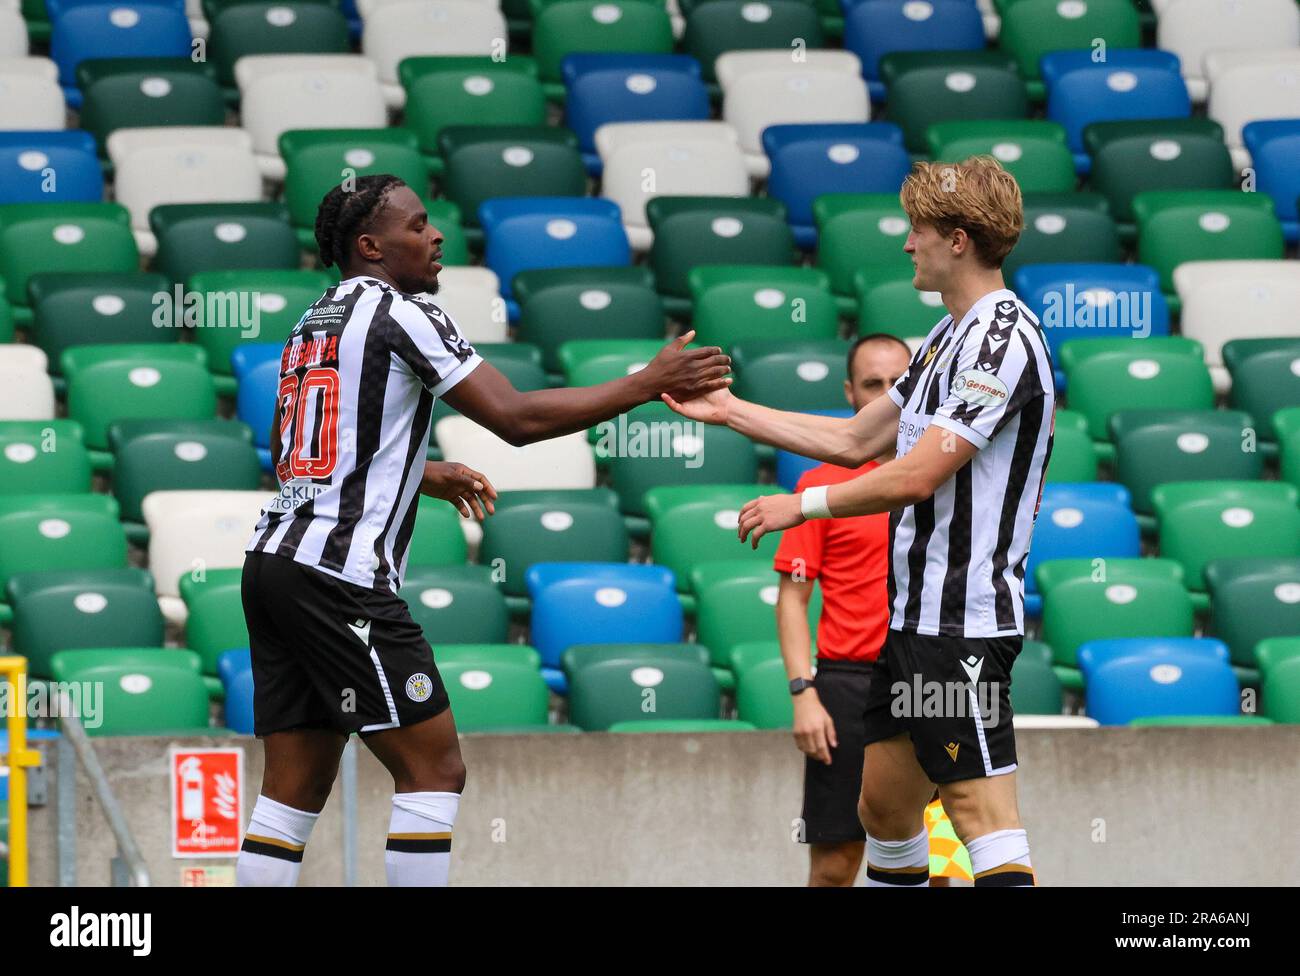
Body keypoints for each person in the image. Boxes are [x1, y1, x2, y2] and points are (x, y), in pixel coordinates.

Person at [236, 174, 731, 887]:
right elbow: (517, 419)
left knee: (292, 793)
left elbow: (311, 446)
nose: (435, 236)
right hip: (339, 577)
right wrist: (645, 382)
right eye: (417, 226)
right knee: (435, 769)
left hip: (275, 564)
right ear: (371, 246)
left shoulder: (314, 320)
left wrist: (423, 472)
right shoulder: (403, 312)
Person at [667, 157, 1053, 887]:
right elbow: (855, 440)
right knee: (884, 808)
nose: (908, 245)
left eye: (919, 231)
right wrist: (730, 411)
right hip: (910, 625)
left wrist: (801, 504)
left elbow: (915, 475)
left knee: (980, 816)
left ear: (960, 240)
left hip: (959, 625)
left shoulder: (1000, 342)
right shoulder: (945, 337)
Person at [775, 333, 910, 886]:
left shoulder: (944, 475)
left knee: (949, 862)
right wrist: (803, 692)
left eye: (897, 382)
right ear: (850, 392)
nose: (885, 393)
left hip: (929, 679)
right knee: (836, 865)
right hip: (848, 686)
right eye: (872, 383)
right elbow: (793, 597)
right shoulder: (818, 487)